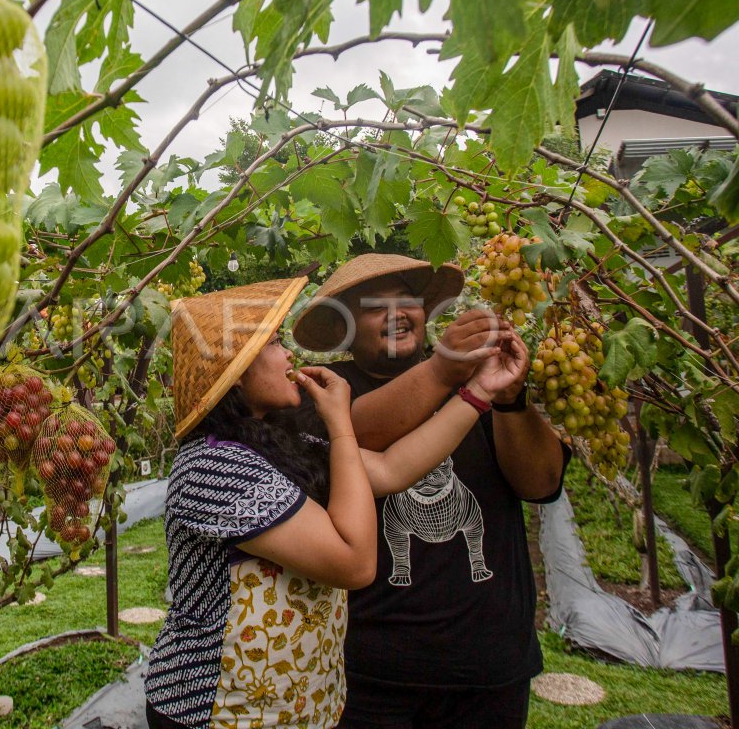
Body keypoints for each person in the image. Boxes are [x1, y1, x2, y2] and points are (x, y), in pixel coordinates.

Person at [144, 276, 527, 729]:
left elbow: (389, 468)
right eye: (273, 344)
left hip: (294, 709)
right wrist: (341, 425)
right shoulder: (213, 467)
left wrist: (479, 393)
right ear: (236, 369)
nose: (290, 355)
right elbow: (354, 563)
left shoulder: (280, 442)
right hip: (217, 709)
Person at [287, 253, 570, 729]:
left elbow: (541, 485)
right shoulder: (326, 393)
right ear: (346, 330)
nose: (397, 314)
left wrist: (510, 400)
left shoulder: (478, 381)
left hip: (490, 665)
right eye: (375, 307)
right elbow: (357, 433)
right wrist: (445, 371)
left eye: (407, 301)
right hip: (373, 674)